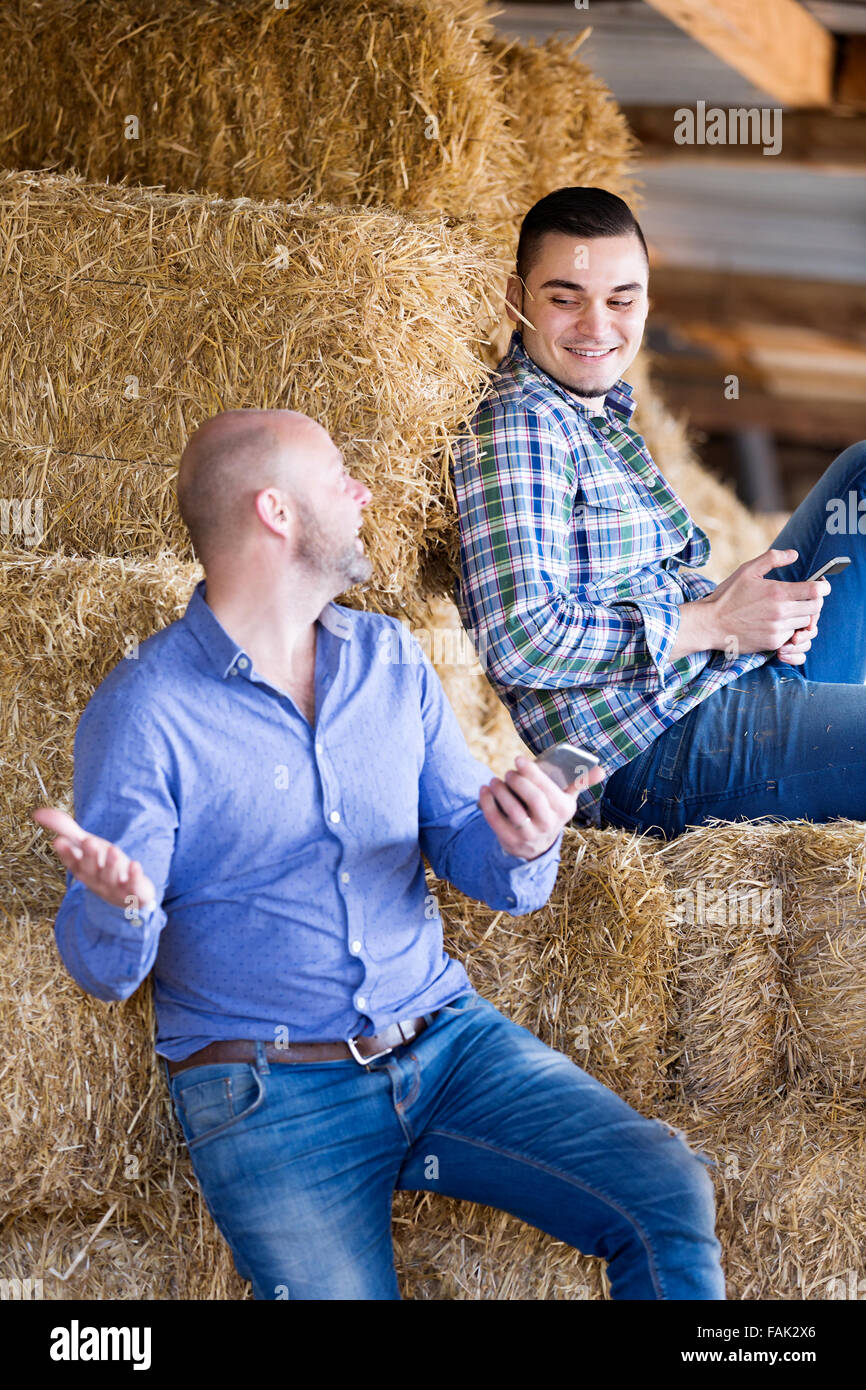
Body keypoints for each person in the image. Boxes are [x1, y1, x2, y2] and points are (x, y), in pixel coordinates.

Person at [34, 408, 724, 1301]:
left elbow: (473, 853)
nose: (363, 493)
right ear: (275, 512)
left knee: (667, 1188)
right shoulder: (146, 709)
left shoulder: (392, 661)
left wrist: (524, 838)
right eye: (338, 477)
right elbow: (102, 970)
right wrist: (120, 905)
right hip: (271, 1095)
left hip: (446, 1044)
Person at [452, 184, 866, 839]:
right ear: (515, 300)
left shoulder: (595, 415)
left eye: (621, 300)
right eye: (565, 299)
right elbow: (521, 640)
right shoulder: (522, 428)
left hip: (722, 683)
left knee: (862, 475)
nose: (596, 327)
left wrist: (755, 622)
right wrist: (711, 621)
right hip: (653, 756)